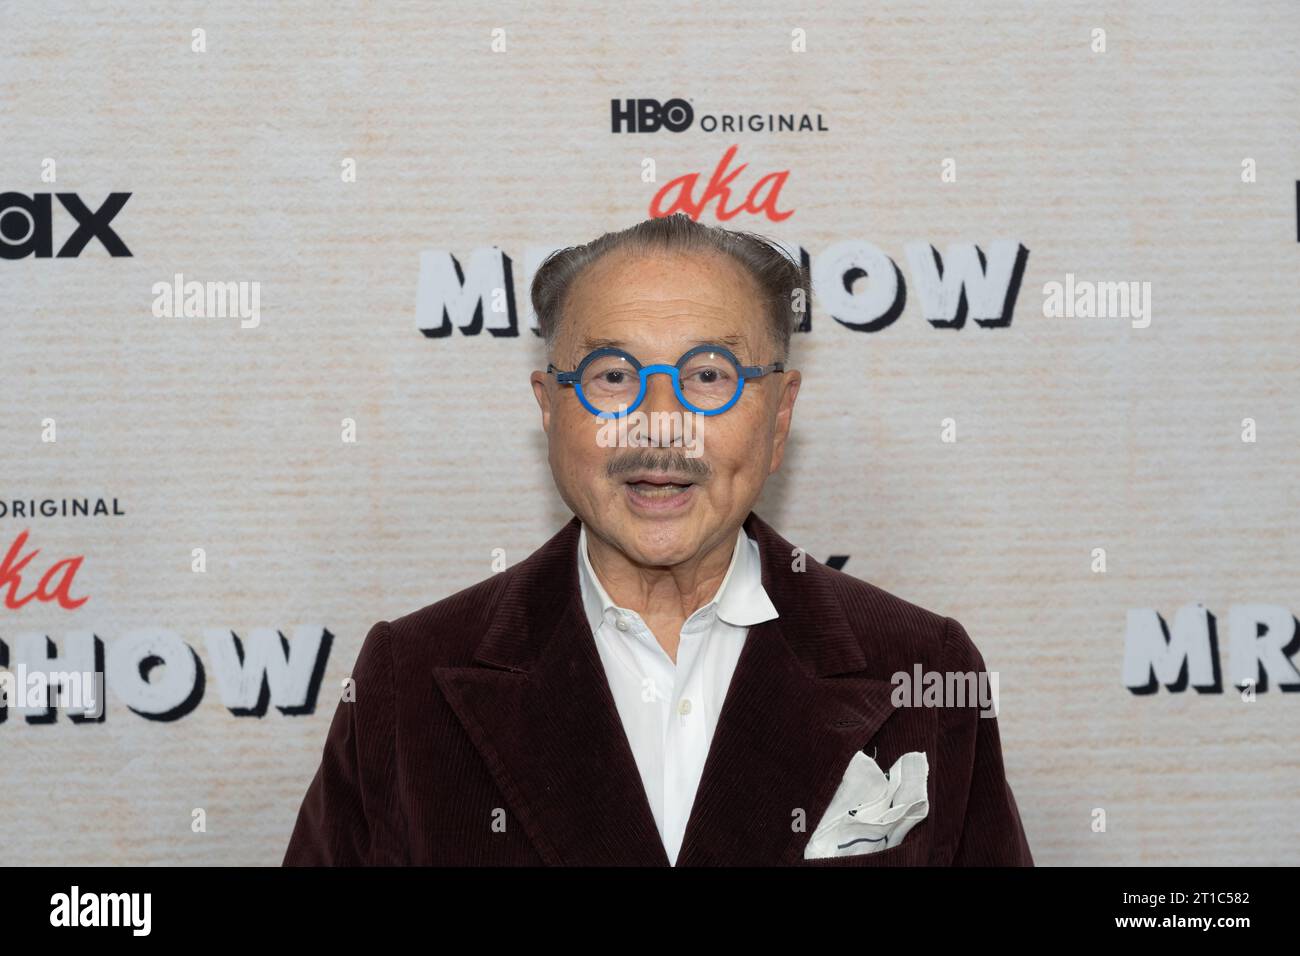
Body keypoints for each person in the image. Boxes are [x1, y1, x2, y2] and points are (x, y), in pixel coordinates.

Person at [283, 212, 1033, 866]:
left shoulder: (923, 667)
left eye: (709, 375)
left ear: (778, 416)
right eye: (613, 375)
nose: (661, 422)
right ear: (550, 408)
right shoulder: (409, 679)